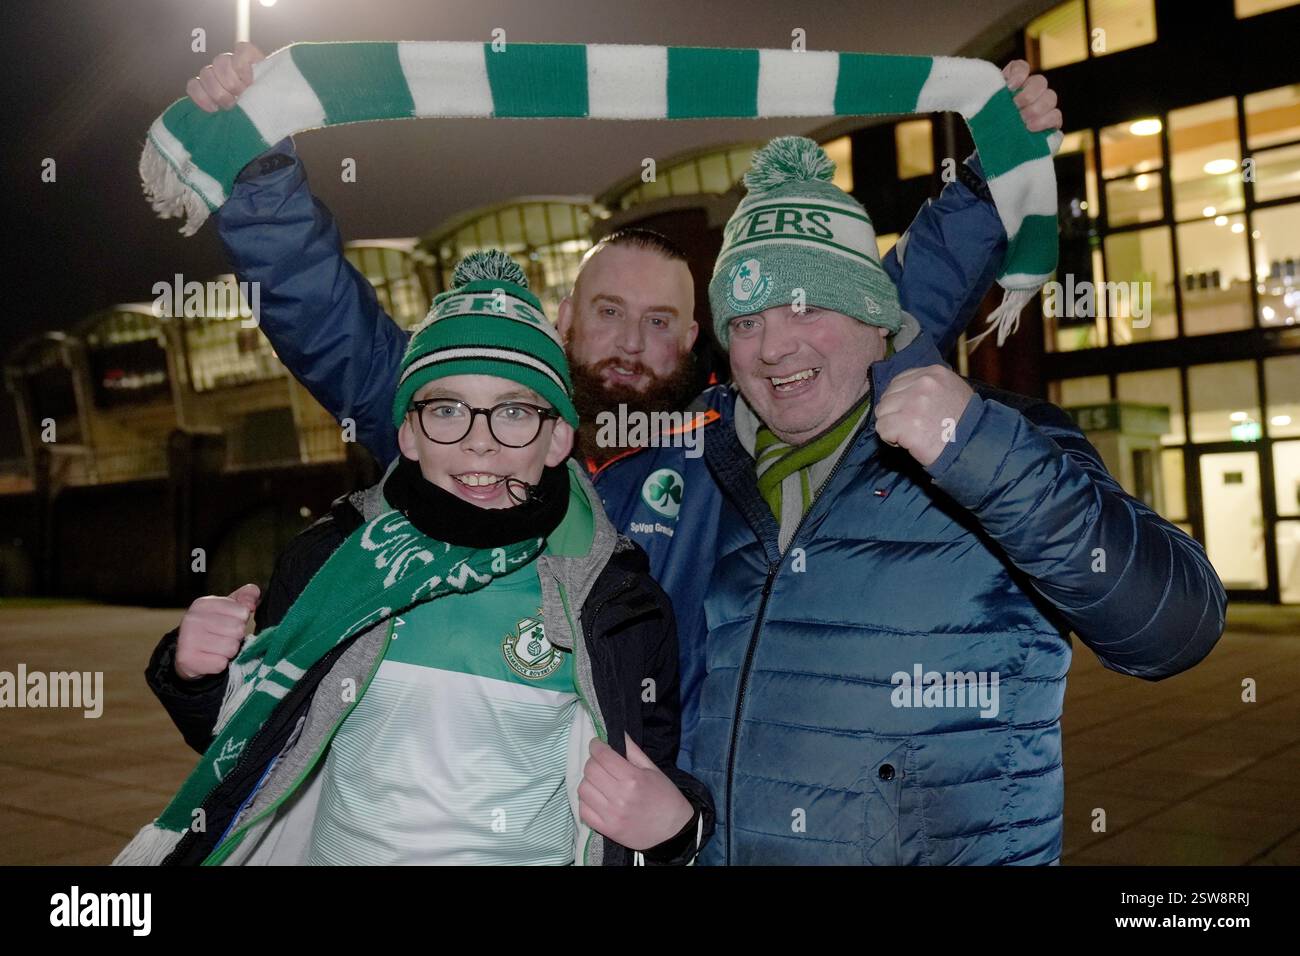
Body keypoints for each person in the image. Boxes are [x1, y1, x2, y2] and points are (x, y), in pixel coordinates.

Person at [183, 45, 1063, 770]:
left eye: (659, 322)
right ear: (565, 318)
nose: (631, 343)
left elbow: (873, 316)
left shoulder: (738, 441)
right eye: (608, 314)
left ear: (695, 339)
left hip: (663, 806)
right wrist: (258, 163)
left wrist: (993, 178)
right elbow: (331, 323)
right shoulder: (483, 426)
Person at [690, 135, 1227, 865]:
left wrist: (979, 455)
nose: (772, 348)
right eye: (745, 322)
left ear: (876, 316)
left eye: (805, 307)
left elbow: (1177, 629)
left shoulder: (996, 440)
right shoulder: (709, 469)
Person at [117, 251, 713, 866]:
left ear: (558, 437)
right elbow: (249, 744)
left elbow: (645, 798)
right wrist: (198, 674)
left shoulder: (617, 601)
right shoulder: (333, 558)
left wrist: (679, 828)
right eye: (447, 410)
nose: (480, 440)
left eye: (513, 411)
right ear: (407, 431)